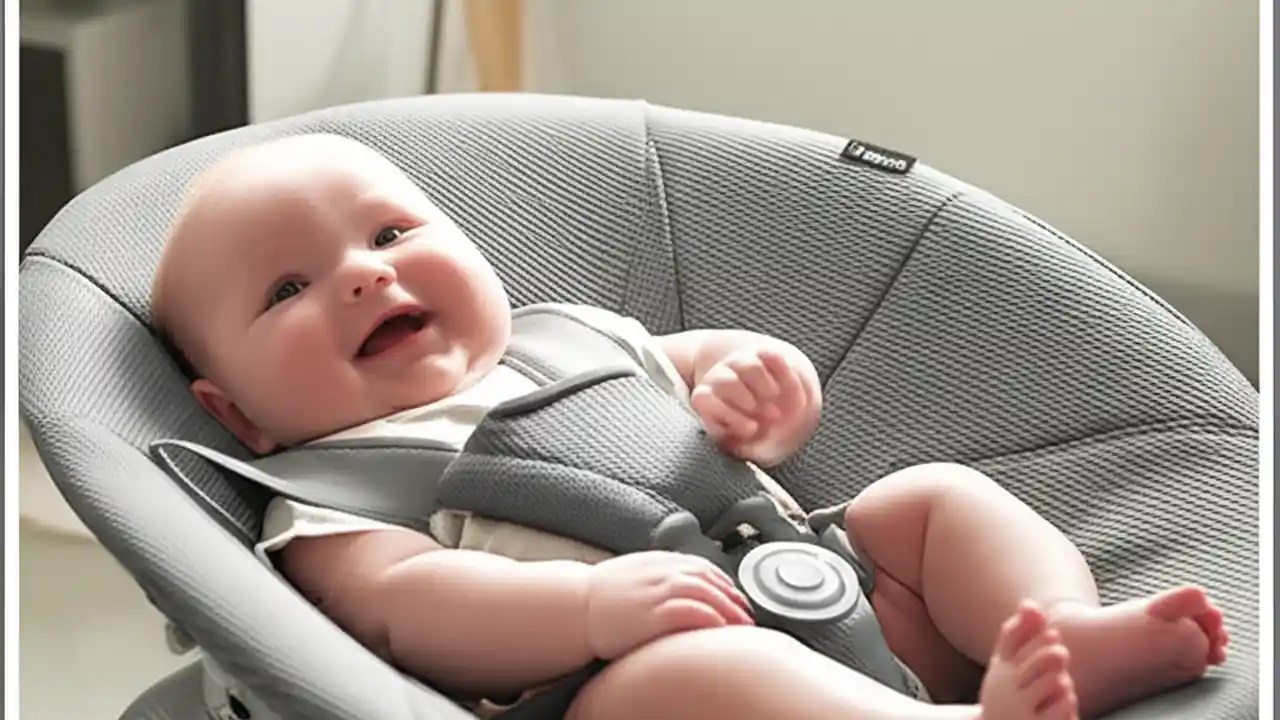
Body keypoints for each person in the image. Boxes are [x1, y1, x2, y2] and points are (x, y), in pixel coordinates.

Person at [149, 134, 1228, 720]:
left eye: (390, 232)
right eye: (286, 289)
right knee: (686, 682)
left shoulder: (567, 334)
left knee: (926, 501)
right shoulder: (329, 494)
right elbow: (401, 610)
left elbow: (702, 366)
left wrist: (766, 384)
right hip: (627, 689)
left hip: (830, 586)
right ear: (235, 411)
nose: (362, 275)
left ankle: (1047, 629)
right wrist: (585, 608)